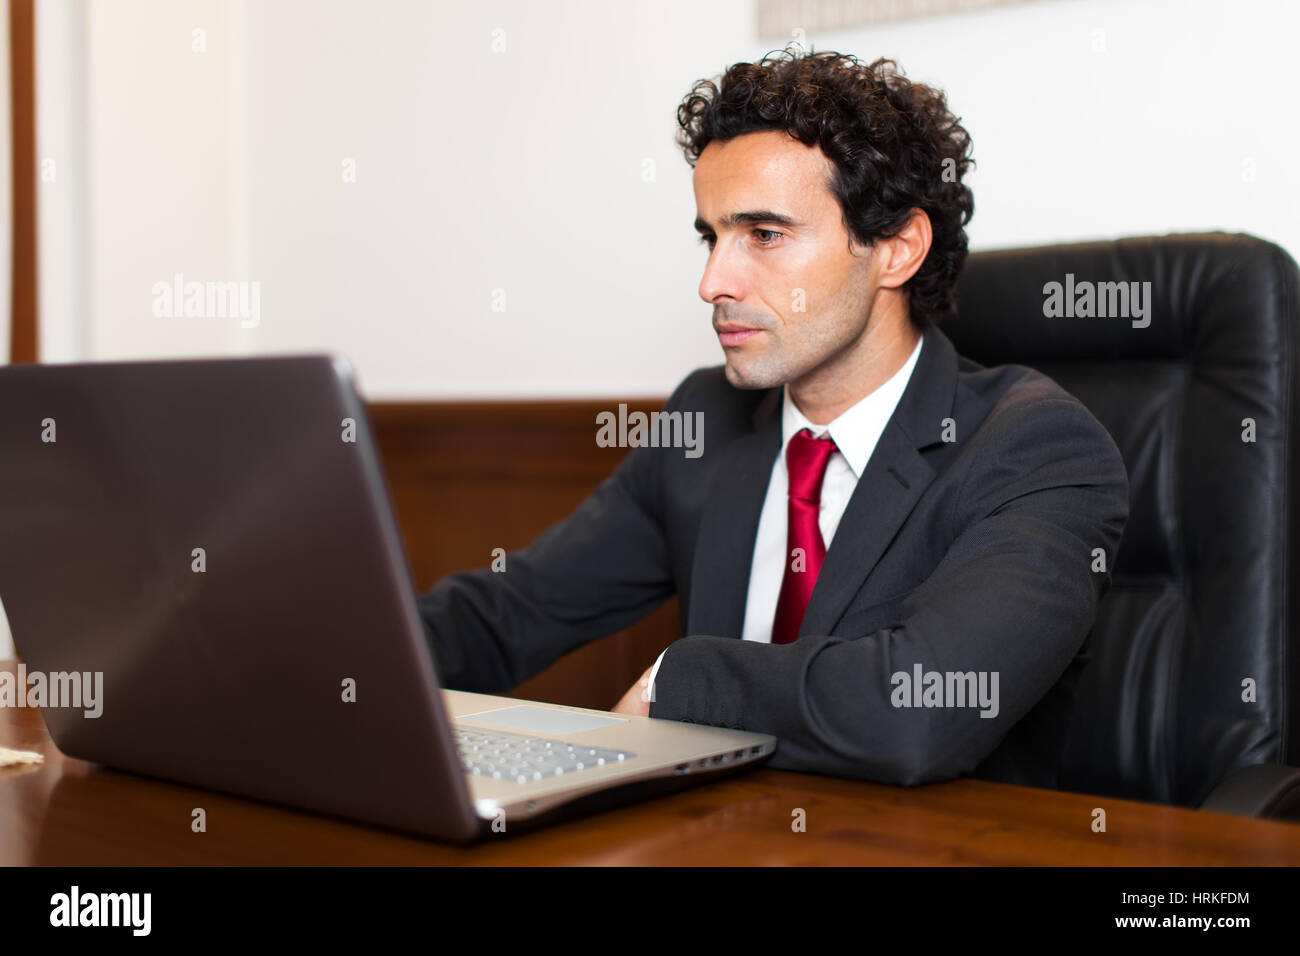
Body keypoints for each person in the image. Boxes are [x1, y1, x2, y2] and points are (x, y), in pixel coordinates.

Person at [417, 48, 1129, 788]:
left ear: (895, 249)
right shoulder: (708, 418)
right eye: (710, 236)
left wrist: (677, 681)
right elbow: (510, 611)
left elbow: (917, 711)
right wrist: (331, 664)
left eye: (764, 234)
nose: (712, 282)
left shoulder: (1034, 448)